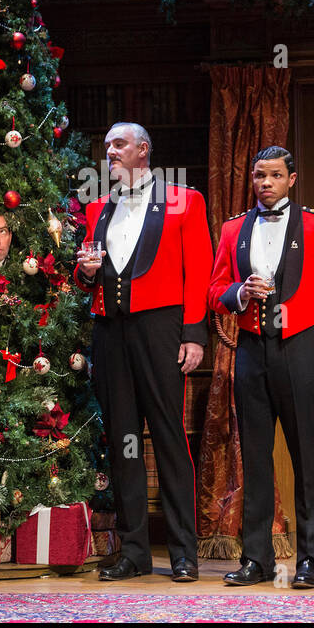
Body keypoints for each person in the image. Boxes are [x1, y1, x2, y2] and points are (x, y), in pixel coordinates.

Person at [208, 145, 314, 588]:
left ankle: (310, 560)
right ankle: (257, 558)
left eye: (273, 175)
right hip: (250, 350)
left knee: (306, 455)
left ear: (291, 179)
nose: (265, 183)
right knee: (253, 457)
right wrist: (239, 295)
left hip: (298, 350)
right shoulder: (234, 231)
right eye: (258, 176)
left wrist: (303, 328)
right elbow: (215, 289)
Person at [74, 122, 212, 581]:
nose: (110, 151)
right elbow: (87, 276)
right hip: (110, 332)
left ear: (143, 151)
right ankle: (134, 551)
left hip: (161, 329)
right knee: (123, 442)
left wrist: (194, 334)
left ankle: (182, 553)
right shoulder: (96, 206)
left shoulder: (184, 200)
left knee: (170, 440)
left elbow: (200, 272)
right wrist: (86, 272)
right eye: (108, 145)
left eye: (119, 144)